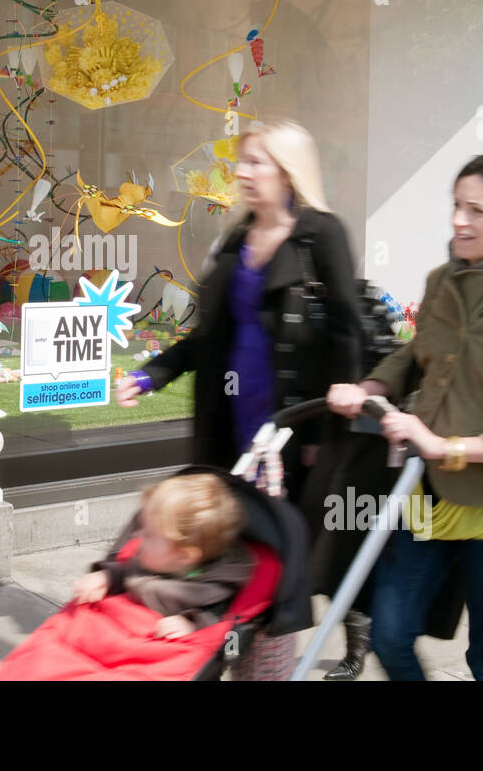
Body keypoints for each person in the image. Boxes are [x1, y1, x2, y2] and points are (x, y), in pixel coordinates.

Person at [116, 119, 366, 676]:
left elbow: (346, 335)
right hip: (227, 426)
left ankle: (269, 665)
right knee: (222, 551)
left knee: (270, 565)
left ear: (289, 171)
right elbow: (210, 336)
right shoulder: (235, 238)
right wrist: (153, 373)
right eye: (243, 161)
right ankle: (223, 653)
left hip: (289, 432)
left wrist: (322, 436)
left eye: (257, 161)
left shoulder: (321, 235)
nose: (243, 172)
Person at [326, 153, 483, 681]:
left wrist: (445, 446)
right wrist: (371, 386)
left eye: (477, 210)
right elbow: (417, 354)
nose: (459, 220)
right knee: (390, 636)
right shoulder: (443, 281)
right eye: (457, 206)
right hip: (428, 501)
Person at [72, 474, 254, 638]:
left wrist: (191, 623)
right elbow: (128, 572)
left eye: (149, 534)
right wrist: (106, 576)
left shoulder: (213, 590)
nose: (137, 536)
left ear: (184, 556)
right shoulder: (154, 559)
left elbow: (217, 618)